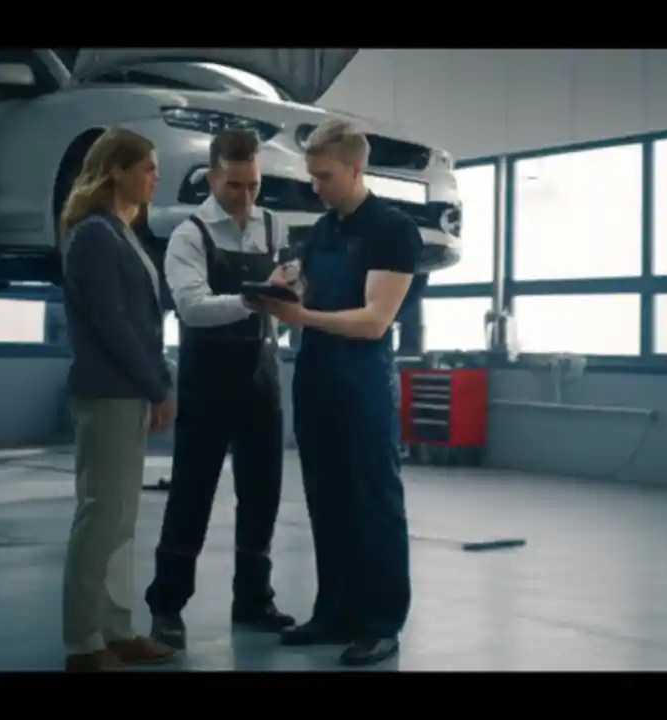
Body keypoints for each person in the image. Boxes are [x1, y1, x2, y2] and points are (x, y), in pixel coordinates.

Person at [254, 119, 421, 667]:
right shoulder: (322, 231)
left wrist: (300, 315)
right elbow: (311, 284)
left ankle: (381, 623)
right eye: (311, 176)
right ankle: (336, 613)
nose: (315, 186)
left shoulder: (393, 230)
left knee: (373, 500)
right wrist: (287, 284)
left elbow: (375, 321)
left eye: (323, 176)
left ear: (356, 168)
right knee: (326, 500)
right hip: (317, 377)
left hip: (363, 381)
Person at [144, 129, 295, 650]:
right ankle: (167, 605)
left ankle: (253, 600)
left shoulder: (275, 226)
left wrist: (294, 293)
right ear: (212, 177)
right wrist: (255, 301)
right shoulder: (189, 235)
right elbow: (191, 306)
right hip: (207, 381)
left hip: (262, 380)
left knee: (262, 494)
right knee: (192, 493)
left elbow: (289, 294)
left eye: (254, 185)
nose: (246, 197)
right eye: (234, 185)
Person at [58, 127, 179, 672]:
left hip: (128, 391)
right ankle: (84, 642)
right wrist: (157, 385)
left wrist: (156, 381)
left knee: (122, 520)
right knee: (100, 515)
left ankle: (117, 627)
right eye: (148, 167)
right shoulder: (93, 237)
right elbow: (112, 324)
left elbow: (143, 325)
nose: (156, 176)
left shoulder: (123, 233)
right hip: (107, 393)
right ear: (116, 171)